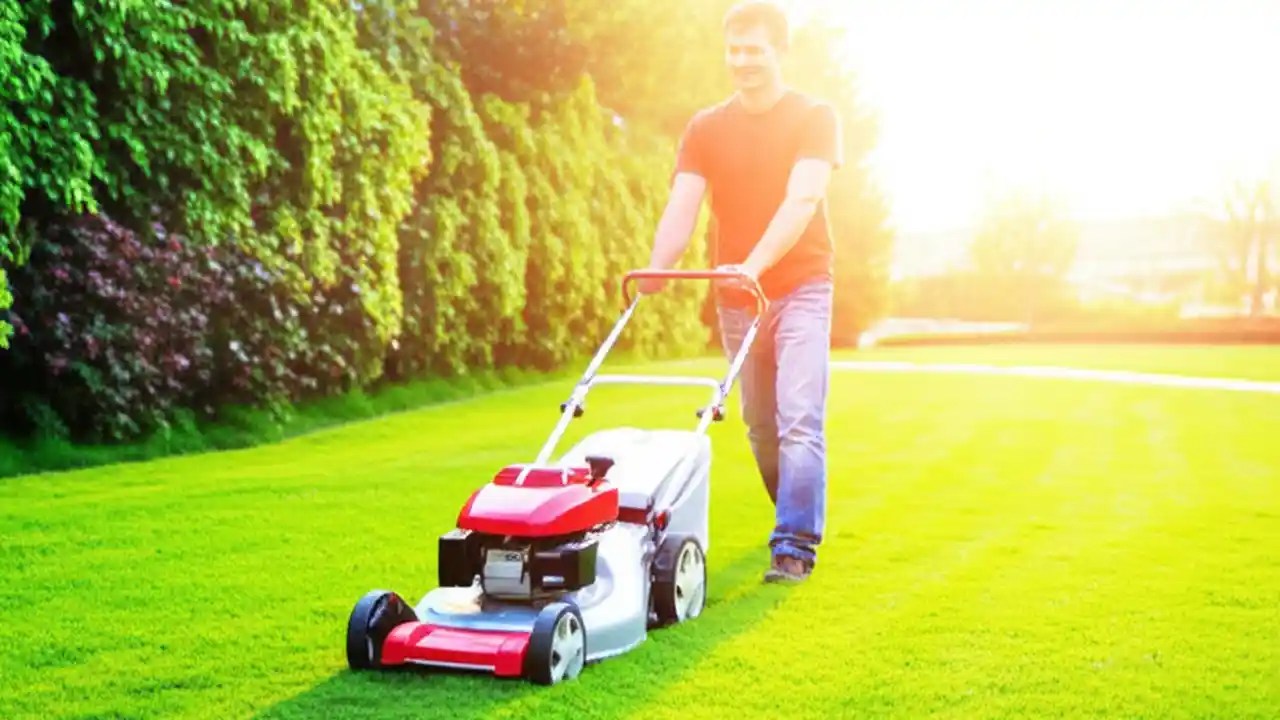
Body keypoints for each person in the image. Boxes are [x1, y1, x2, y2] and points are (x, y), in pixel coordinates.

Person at [640, 0, 842, 582]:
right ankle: (790, 511)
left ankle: (794, 546)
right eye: (734, 50)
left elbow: (803, 200)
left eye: (755, 50)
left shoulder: (815, 117)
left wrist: (752, 264)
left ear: (779, 52)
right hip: (736, 299)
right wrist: (656, 267)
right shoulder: (706, 127)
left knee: (799, 418)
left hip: (802, 285)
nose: (743, 62)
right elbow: (684, 204)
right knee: (760, 426)